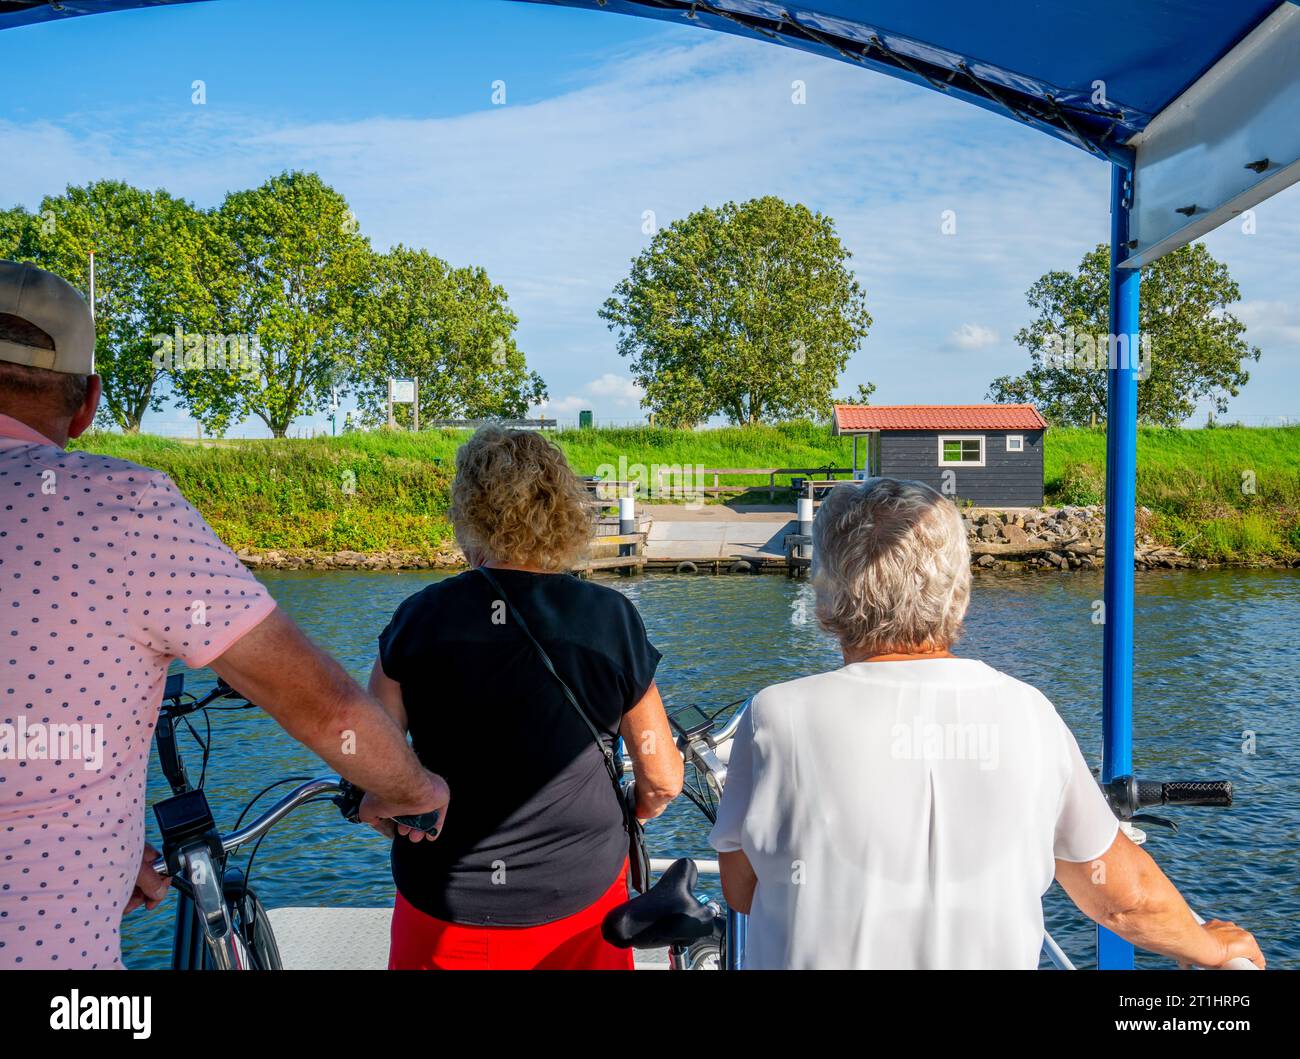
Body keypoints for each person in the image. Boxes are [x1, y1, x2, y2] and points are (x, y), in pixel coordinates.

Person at [0, 260, 449, 969]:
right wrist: (415, 787)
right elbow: (325, 709)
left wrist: (108, 858)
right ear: (87, 402)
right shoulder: (122, 510)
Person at [710, 477, 1264, 970]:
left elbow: (740, 889)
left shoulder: (777, 715)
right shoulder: (1029, 713)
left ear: (827, 588)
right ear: (957, 590)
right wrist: (1213, 947)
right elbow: (1123, 897)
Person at [370, 425, 682, 970]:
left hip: (442, 899)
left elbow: (372, 756)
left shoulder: (418, 618)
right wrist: (636, 805)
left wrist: (385, 802)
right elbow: (662, 778)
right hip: (579, 904)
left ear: (470, 512)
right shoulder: (608, 619)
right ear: (562, 509)